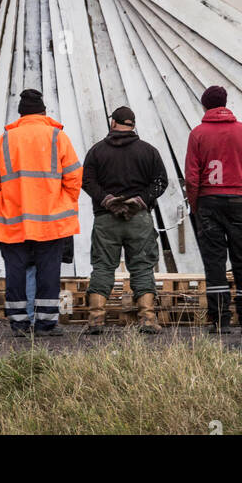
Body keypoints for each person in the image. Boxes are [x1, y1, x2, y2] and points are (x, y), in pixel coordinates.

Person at [0, 88, 82, 338]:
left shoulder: (5, 140)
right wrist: (64, 203)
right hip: (50, 222)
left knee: (15, 272)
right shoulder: (57, 138)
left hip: (12, 221)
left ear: (20, 114)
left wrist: (1, 203)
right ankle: (46, 324)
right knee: (49, 272)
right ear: (44, 112)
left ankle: (18, 324)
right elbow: (74, 176)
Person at [82, 106, 169, 335]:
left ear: (113, 123)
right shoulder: (148, 151)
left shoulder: (96, 151)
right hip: (138, 219)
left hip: (105, 219)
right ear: (133, 124)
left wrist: (108, 200)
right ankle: (148, 319)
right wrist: (140, 201)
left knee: (102, 266)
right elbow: (161, 182)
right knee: (142, 266)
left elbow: (88, 182)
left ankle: (96, 320)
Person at [185, 85, 242, 334]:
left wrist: (196, 206)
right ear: (225, 103)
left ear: (205, 105)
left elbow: (192, 177)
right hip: (237, 200)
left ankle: (220, 321)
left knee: (215, 261)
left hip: (208, 201)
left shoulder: (198, 134)